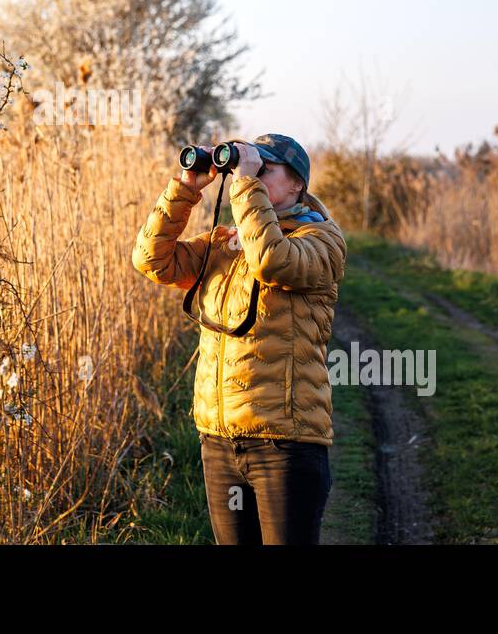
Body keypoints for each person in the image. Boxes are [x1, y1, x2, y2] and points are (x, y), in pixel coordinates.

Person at [131, 133, 347, 544]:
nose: (252, 176)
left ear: (298, 183)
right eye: (249, 167)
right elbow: (152, 260)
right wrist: (186, 189)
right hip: (219, 442)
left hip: (284, 443)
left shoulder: (321, 241)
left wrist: (245, 186)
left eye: (265, 170)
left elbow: (272, 261)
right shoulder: (225, 242)